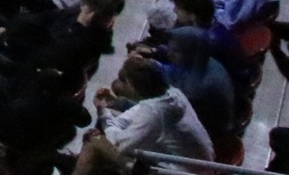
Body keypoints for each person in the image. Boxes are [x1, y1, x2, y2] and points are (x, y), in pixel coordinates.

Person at [75, 57, 211, 175]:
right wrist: (106, 110)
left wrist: (102, 112)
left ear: (133, 87)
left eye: (123, 81)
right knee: (104, 133)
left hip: (177, 171)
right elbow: (127, 120)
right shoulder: (173, 93)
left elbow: (118, 145)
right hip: (197, 164)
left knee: (94, 142)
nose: (118, 84)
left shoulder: (154, 113)